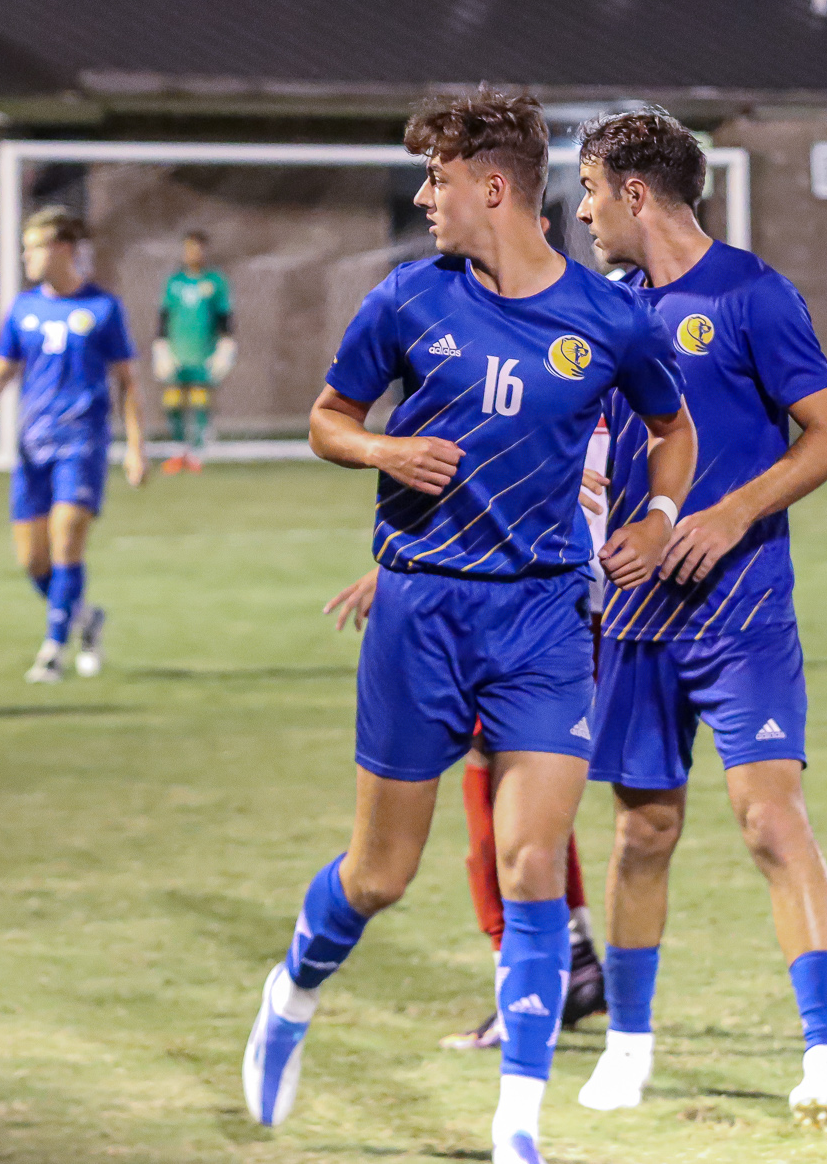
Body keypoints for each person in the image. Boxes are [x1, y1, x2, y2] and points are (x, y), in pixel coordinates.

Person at [241, 87, 696, 1164]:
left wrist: (661, 512)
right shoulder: (405, 301)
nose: (420, 196)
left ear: (491, 186)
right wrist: (382, 452)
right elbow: (325, 420)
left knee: (533, 862)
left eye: (433, 178)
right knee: (379, 877)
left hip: (543, 618)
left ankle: (516, 1128)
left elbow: (671, 432)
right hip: (420, 614)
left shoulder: (608, 319)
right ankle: (292, 994)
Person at [566, 107, 827, 1132]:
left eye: (590, 188)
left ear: (634, 193)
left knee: (767, 819)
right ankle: (627, 1050)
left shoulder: (750, 293)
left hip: (740, 613)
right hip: (633, 618)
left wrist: (732, 512)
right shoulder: (604, 309)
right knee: (642, 830)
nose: (582, 208)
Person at [321, 425, 615, 1052]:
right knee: (511, 786)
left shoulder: (599, 347)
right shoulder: (581, 348)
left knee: (507, 783)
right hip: (535, 584)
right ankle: (573, 954)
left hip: (550, 596)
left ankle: (534, 971)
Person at [0, 208, 147, 683]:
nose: (25, 257)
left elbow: (127, 383)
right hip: (32, 448)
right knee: (32, 561)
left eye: (33, 247)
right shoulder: (23, 309)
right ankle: (85, 619)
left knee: (66, 541)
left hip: (81, 444)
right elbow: (4, 366)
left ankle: (52, 652)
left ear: (61, 248)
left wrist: (137, 447)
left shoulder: (103, 308)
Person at [153, 231, 235, 474]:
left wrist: (226, 346)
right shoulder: (174, 282)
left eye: (197, 248)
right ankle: (178, 450)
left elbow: (225, 317)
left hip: (203, 350)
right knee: (172, 400)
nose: (193, 253)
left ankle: (197, 452)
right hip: (177, 350)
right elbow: (164, 316)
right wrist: (161, 347)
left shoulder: (215, 281)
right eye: (188, 248)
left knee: (200, 398)